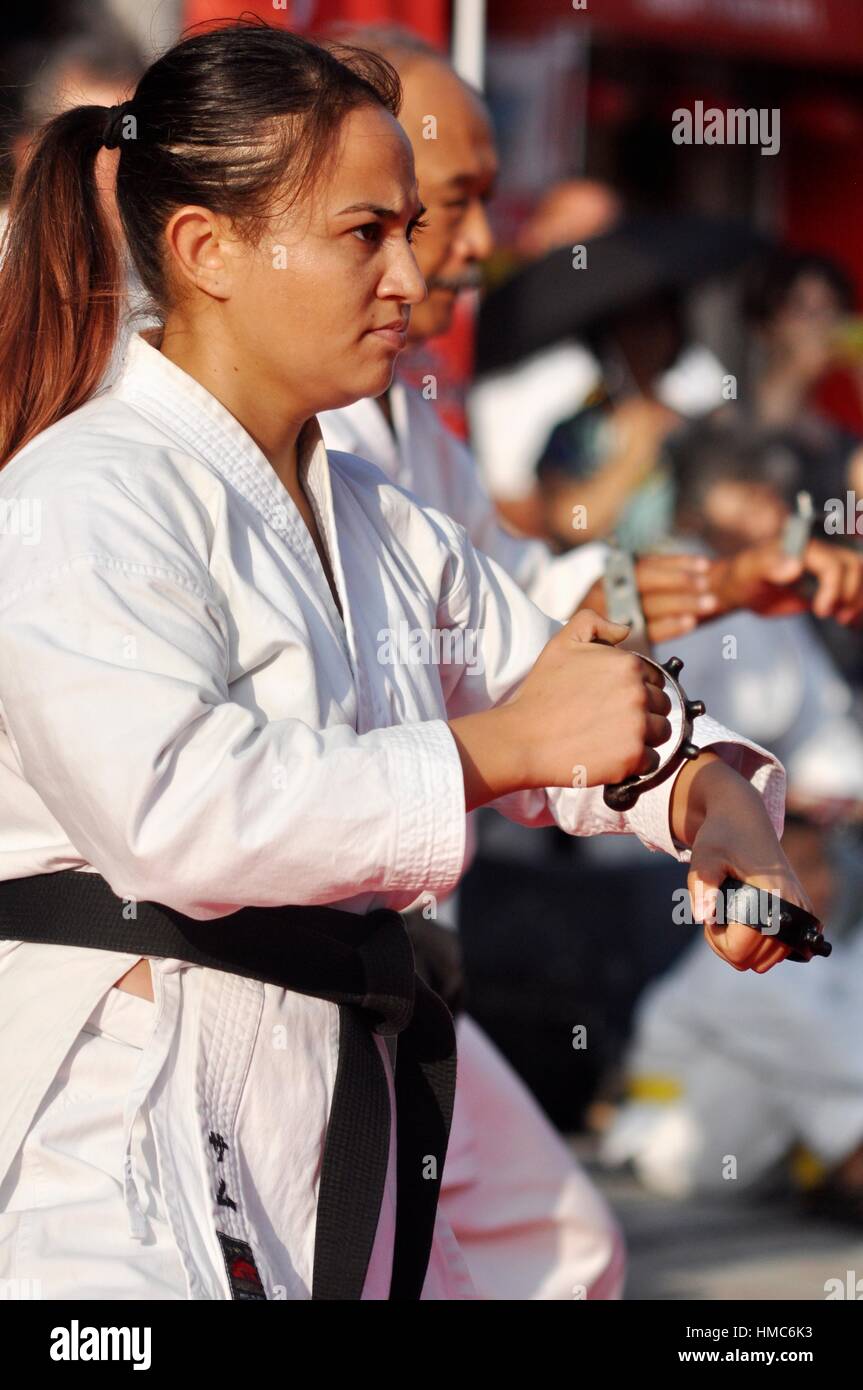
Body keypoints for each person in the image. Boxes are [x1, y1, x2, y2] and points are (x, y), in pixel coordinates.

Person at [0, 21, 805, 1303]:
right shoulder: (85, 495)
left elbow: (576, 704)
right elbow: (176, 812)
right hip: (120, 1144)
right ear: (208, 250)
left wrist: (716, 814)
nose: (408, 273)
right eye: (363, 232)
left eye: (409, 229)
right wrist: (500, 750)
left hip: (325, 1118)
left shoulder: (383, 518)